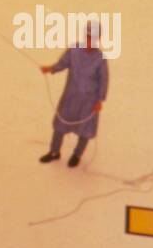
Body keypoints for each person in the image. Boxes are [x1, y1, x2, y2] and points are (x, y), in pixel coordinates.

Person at [40, 20, 108, 168]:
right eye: (88, 36)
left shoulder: (100, 59)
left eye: (94, 37)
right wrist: (51, 69)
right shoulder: (74, 50)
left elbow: (104, 80)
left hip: (88, 102)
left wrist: (99, 100)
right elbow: (62, 63)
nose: (90, 40)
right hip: (70, 97)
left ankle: (77, 154)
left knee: (85, 130)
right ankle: (54, 152)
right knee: (60, 125)